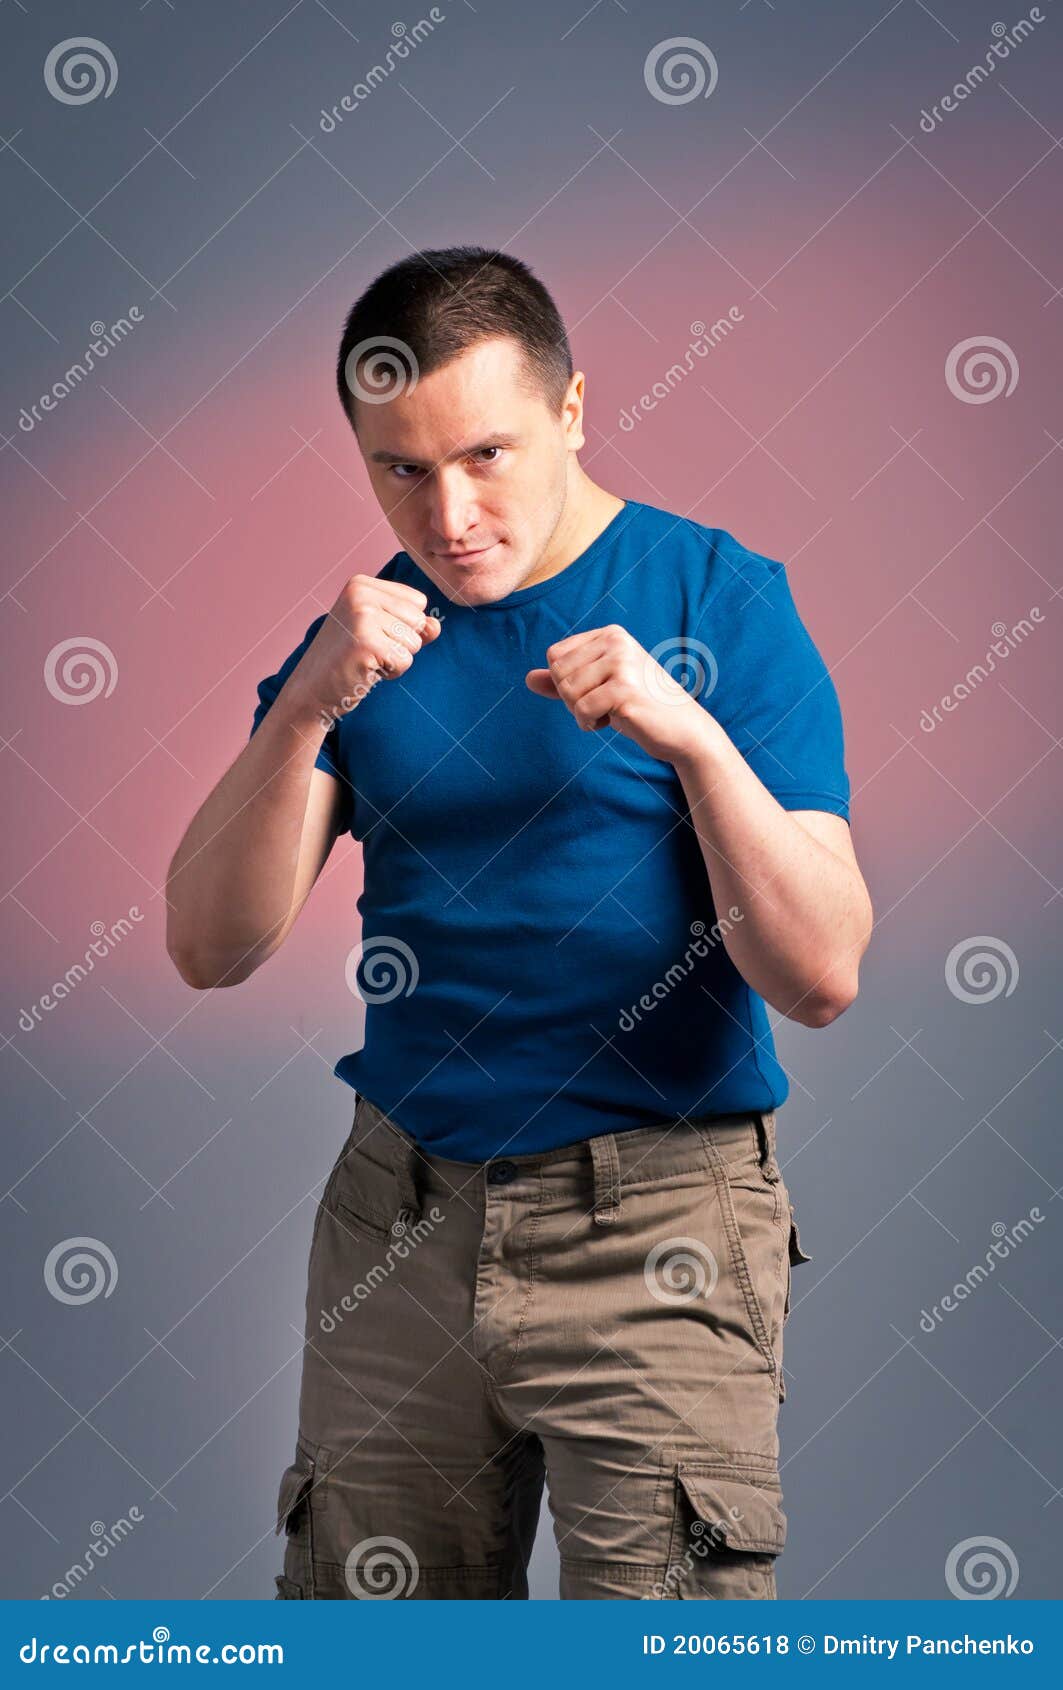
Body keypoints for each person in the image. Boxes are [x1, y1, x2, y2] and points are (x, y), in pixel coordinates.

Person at [165, 246, 873, 1600]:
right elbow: (209, 946)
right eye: (401, 469)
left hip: (657, 1223)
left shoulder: (715, 596)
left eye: (486, 454)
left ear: (573, 410)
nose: (450, 514)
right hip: (399, 1216)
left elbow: (822, 972)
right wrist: (305, 704)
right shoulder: (366, 638)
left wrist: (694, 741)